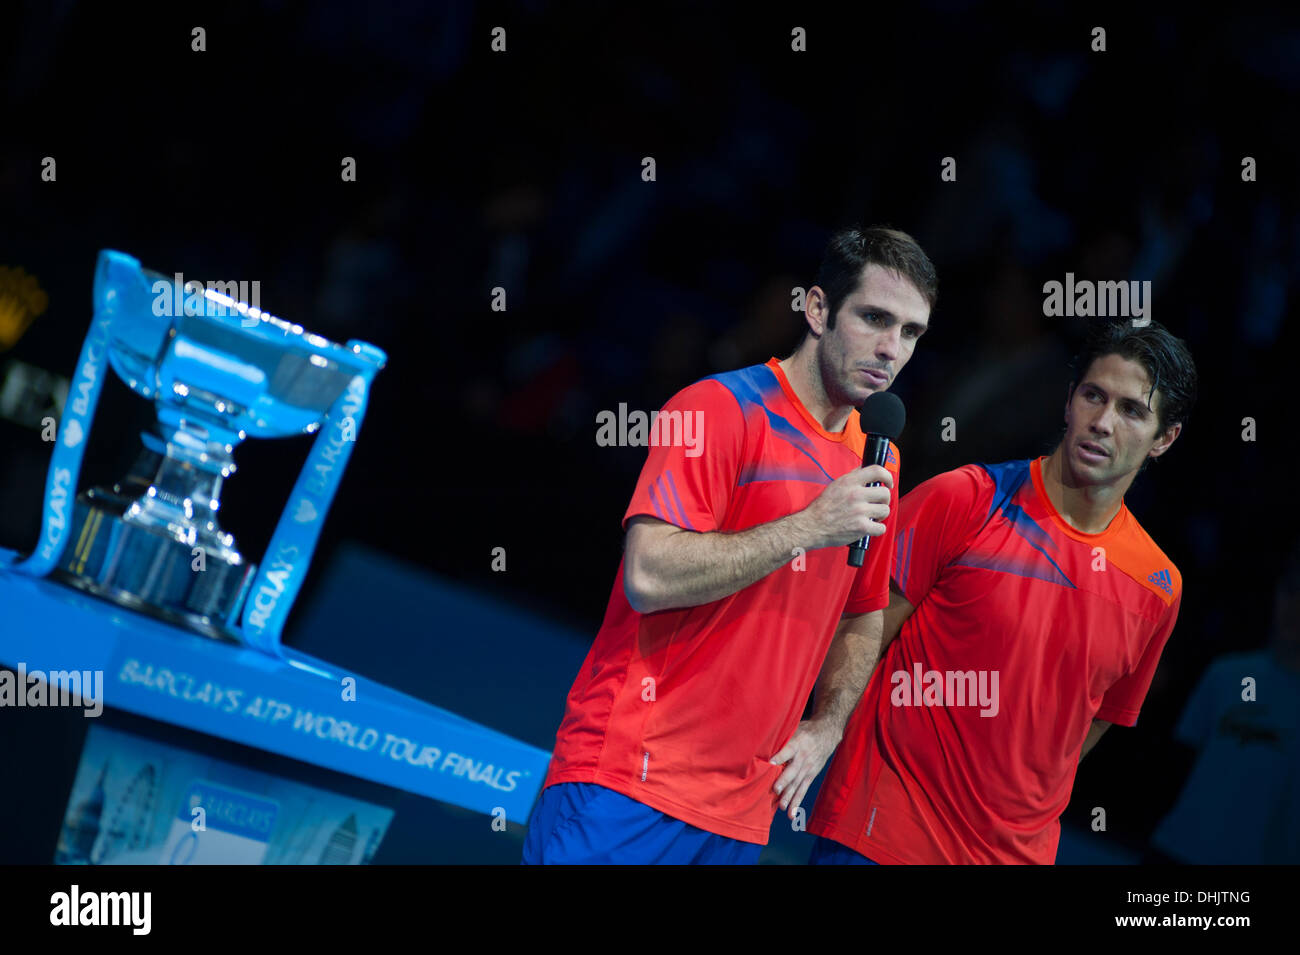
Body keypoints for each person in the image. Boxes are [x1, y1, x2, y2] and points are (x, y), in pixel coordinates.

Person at [522, 225, 936, 863]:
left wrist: (827, 727)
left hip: (743, 812)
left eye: (910, 333)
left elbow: (862, 612)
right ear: (818, 309)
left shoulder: (878, 458)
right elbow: (650, 575)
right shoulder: (720, 409)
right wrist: (808, 526)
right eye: (875, 318)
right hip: (630, 781)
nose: (891, 349)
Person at [807, 318, 1197, 864]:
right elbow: (862, 625)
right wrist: (824, 728)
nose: (1103, 422)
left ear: (1165, 438)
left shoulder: (1157, 587)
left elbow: (1094, 719)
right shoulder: (965, 499)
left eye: (1132, 410)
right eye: (1093, 395)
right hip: (880, 832)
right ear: (1068, 402)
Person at [1144, 539, 1300, 864]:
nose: (1294, 607)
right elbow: (1174, 770)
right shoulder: (1225, 674)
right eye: (1290, 591)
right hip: (1174, 851)